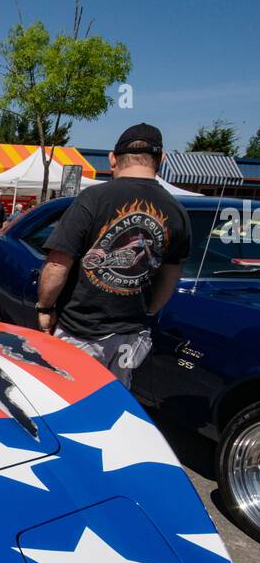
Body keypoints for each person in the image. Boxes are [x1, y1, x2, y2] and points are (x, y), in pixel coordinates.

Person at [35, 123, 191, 388]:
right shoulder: (176, 211)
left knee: (67, 397)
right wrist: (149, 311)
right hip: (132, 334)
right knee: (113, 401)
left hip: (81, 331)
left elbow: (58, 263)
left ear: (112, 159)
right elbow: (171, 274)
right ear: (161, 159)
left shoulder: (93, 198)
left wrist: (45, 307)